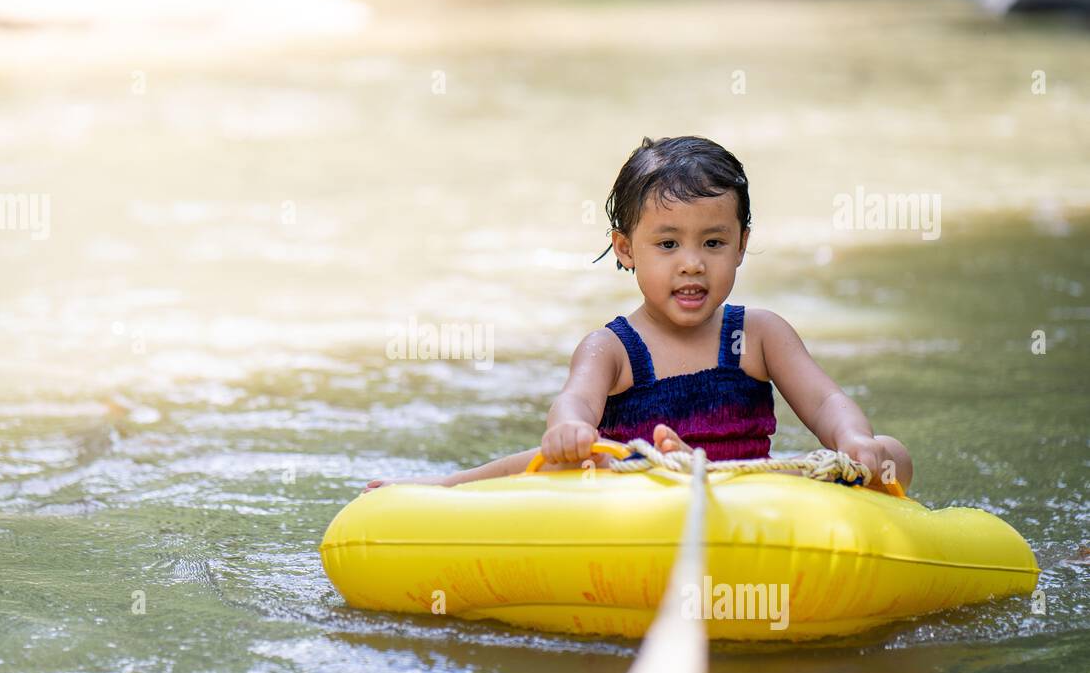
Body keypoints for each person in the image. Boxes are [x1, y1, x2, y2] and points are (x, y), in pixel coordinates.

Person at [365, 135, 912, 495]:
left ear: (743, 245)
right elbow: (575, 399)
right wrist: (571, 429)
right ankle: (448, 486)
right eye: (668, 245)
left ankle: (852, 458)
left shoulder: (760, 334)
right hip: (635, 488)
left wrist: (852, 438)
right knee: (547, 462)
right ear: (626, 249)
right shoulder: (613, 348)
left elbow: (825, 399)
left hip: (746, 490)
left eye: (714, 243)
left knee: (892, 455)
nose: (692, 265)